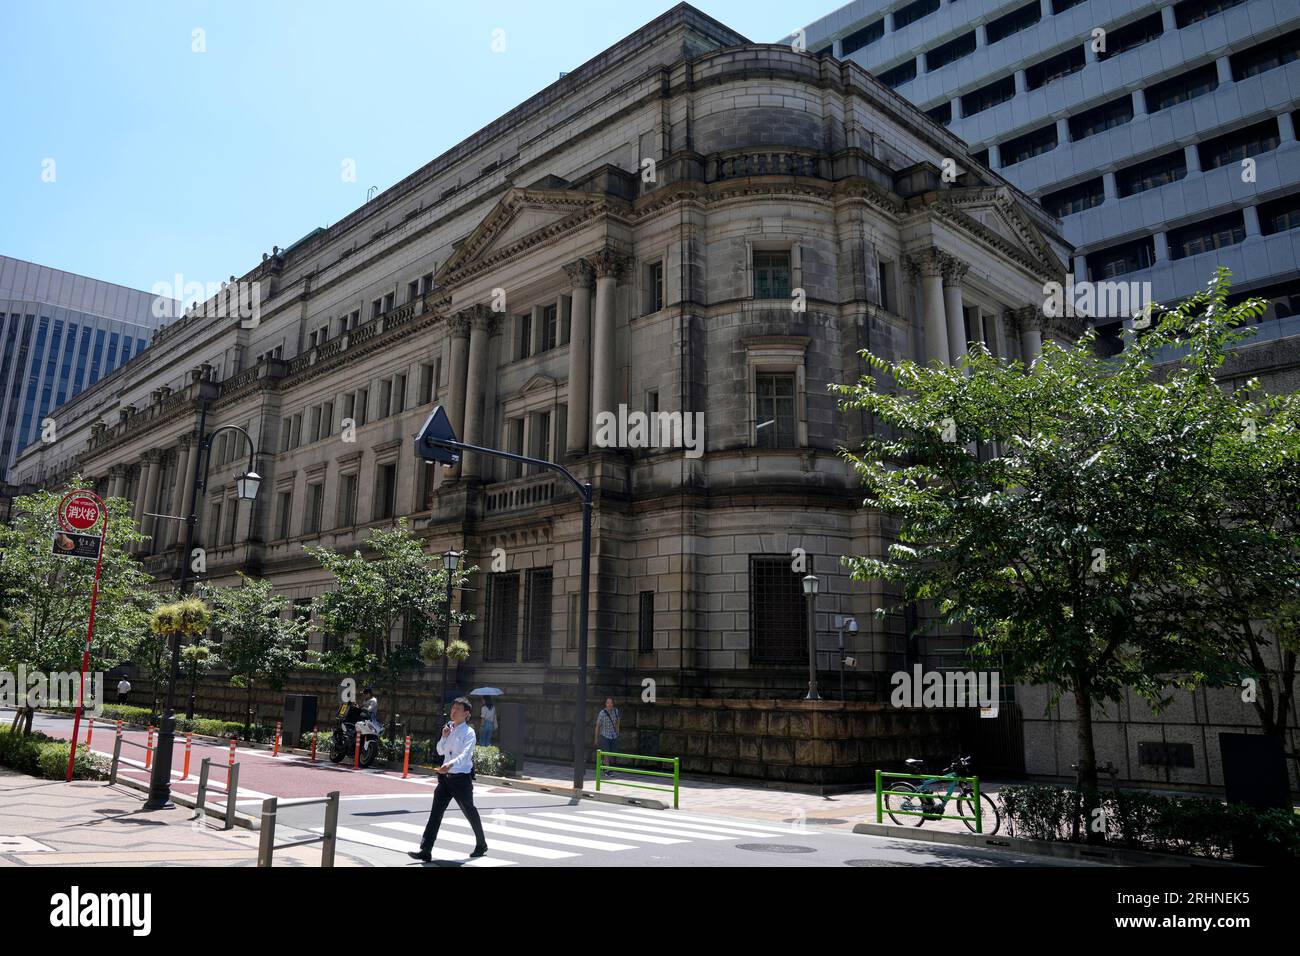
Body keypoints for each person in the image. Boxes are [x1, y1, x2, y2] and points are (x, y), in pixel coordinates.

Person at [408, 697, 488, 861]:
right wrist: (444, 737)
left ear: (466, 714)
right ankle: (426, 849)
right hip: (445, 780)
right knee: (435, 814)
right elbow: (440, 750)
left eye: (458, 709)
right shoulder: (449, 728)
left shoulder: (469, 732)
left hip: (461, 779)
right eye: (453, 707)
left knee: (469, 811)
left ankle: (481, 844)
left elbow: (465, 756)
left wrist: (450, 765)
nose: (454, 711)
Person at [594, 697, 620, 777]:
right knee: (606, 753)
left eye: (611, 703)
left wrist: (617, 732)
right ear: (605, 704)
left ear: (613, 704)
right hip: (604, 735)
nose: (609, 704)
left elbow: (617, 721)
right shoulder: (602, 713)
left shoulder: (616, 711)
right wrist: (596, 738)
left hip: (613, 735)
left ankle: (603, 762)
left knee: (612, 753)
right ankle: (607, 770)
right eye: (608, 703)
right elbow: (598, 726)